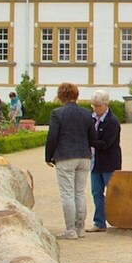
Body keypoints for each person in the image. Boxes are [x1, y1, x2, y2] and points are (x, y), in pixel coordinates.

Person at [43, 83, 97, 240]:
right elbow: (92, 138)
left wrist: (48, 156)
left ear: (61, 96)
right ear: (76, 95)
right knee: (80, 193)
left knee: (67, 194)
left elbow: (52, 137)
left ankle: (71, 229)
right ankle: (81, 228)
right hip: (84, 156)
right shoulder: (86, 113)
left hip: (65, 156)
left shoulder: (57, 113)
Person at [89, 91, 122, 233]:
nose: (95, 108)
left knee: (113, 193)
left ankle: (120, 220)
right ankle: (99, 222)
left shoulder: (112, 122)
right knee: (96, 192)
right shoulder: (91, 119)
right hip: (95, 162)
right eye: (93, 105)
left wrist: (89, 141)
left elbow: (106, 143)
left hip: (109, 162)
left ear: (105, 105)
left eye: (98, 106)